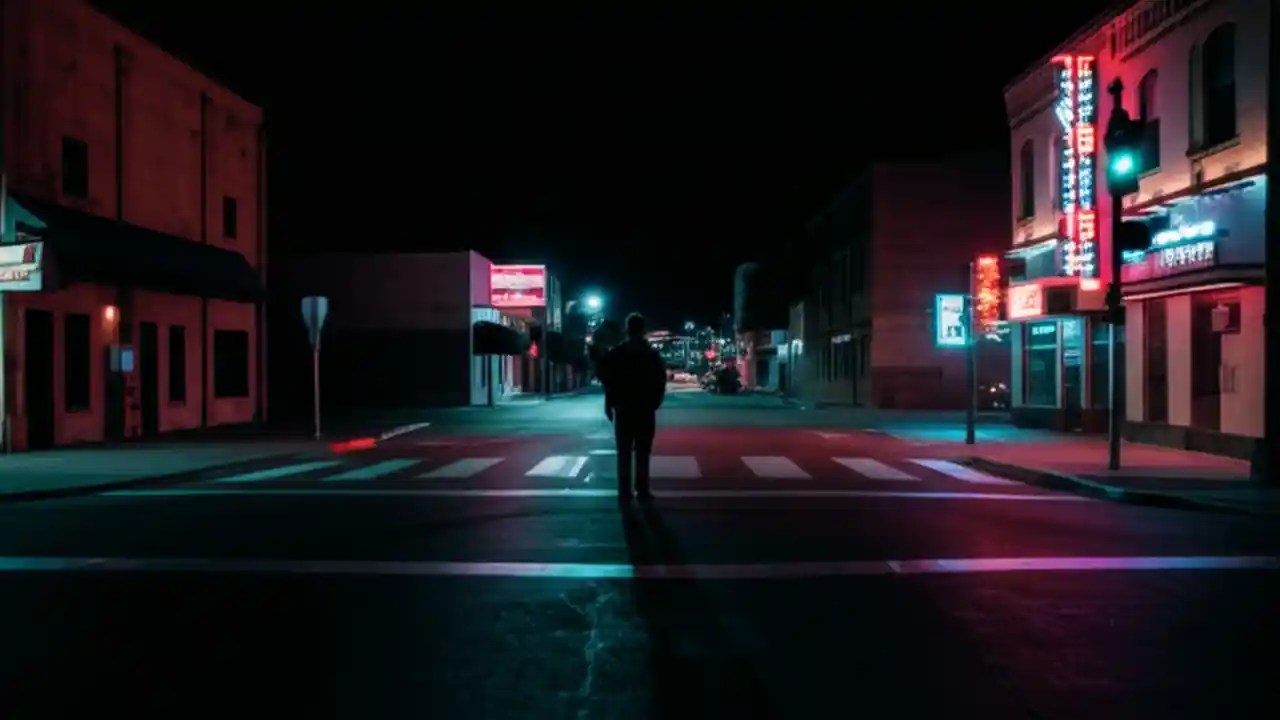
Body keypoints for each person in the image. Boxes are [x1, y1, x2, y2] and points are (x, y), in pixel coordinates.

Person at [601, 313, 667, 500]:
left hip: (624, 408)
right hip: (644, 408)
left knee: (624, 452)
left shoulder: (617, 353)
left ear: (627, 329)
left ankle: (624, 492)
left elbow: (608, 380)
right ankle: (642, 489)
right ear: (643, 330)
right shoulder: (651, 354)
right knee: (643, 452)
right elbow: (660, 380)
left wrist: (609, 403)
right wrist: (655, 401)